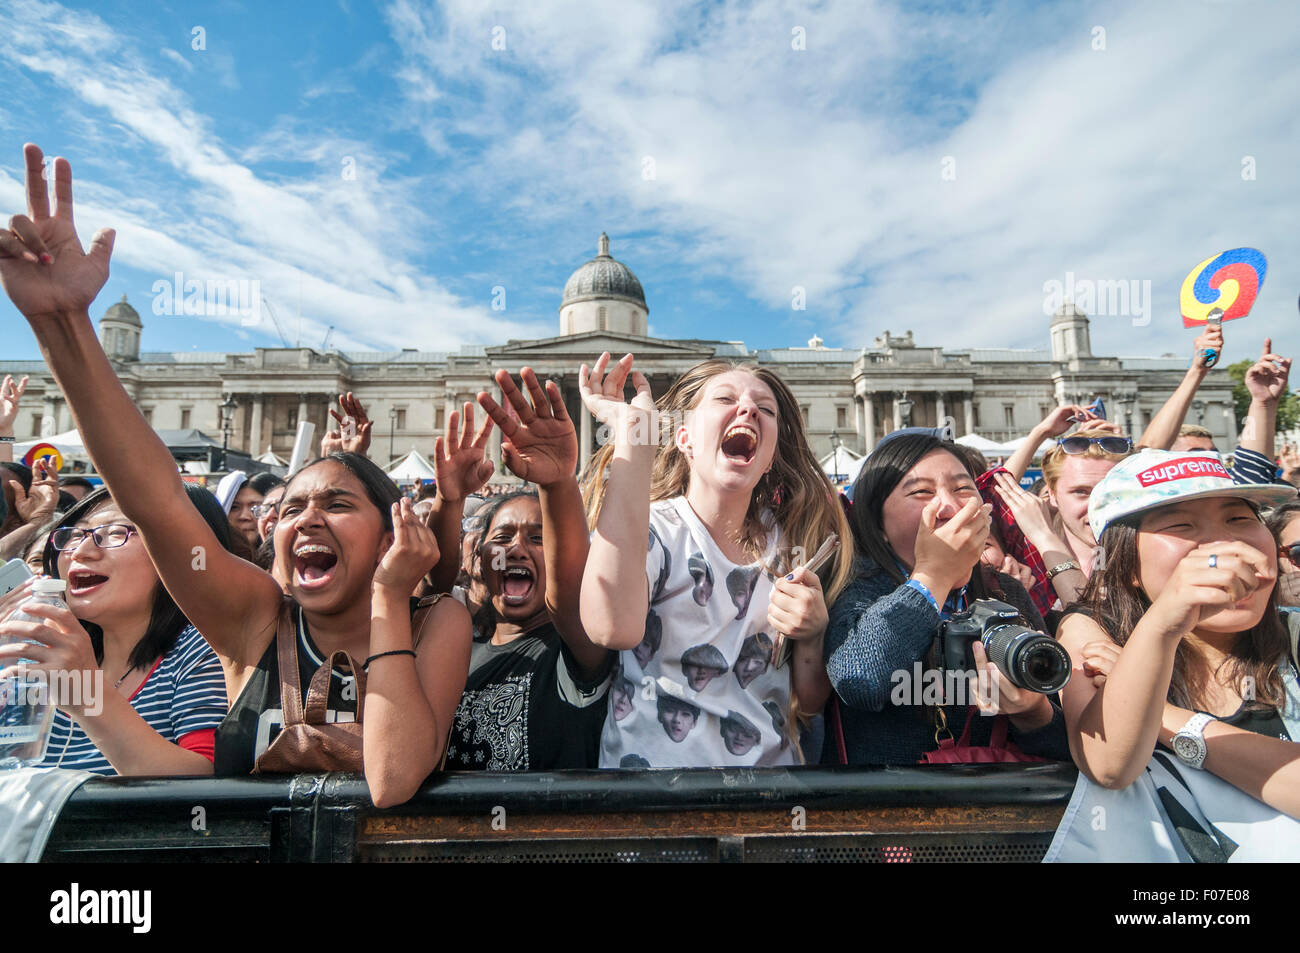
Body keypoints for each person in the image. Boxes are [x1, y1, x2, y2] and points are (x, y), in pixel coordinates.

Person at [0, 143, 469, 807]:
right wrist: (63, 325)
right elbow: (157, 501)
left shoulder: (436, 621)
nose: (305, 516)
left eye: (336, 501)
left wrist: (391, 597)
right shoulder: (255, 617)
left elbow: (391, 778)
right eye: (294, 504)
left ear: (392, 525)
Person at [581, 353, 853, 767]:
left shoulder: (793, 549)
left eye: (765, 409)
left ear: (769, 459)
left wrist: (813, 634)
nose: (747, 409)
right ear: (685, 439)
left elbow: (809, 703)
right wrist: (633, 439)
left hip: (767, 800)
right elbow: (610, 627)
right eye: (725, 399)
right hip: (653, 802)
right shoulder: (653, 529)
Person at [1055, 449, 1300, 829]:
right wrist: (1164, 625)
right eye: (1181, 526)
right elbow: (1108, 764)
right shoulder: (1094, 633)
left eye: (1239, 518)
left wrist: (1166, 716)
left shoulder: (1294, 636)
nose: (1224, 544)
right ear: (1126, 564)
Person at [823, 431, 1069, 765]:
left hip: (1000, 808)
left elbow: (1067, 745)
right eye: (921, 492)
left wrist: (1033, 712)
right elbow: (860, 680)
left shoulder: (1005, 592)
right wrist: (932, 577)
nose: (948, 507)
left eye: (963, 489)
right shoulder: (855, 587)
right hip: (882, 808)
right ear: (877, 521)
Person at [438, 367, 614, 771]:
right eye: (502, 538)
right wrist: (447, 504)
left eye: (538, 539)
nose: (516, 548)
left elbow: (570, 592)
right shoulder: (451, 645)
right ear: (477, 559)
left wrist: (557, 483)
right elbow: (431, 586)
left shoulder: (573, 651)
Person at [0, 485, 230, 775]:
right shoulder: (44, 653)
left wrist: (88, 695)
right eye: (75, 535)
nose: (81, 552)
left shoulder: (203, 649)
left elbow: (203, 787)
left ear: (182, 549)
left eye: (115, 533)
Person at [1139, 329, 1290, 485]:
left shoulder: (1239, 497)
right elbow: (1148, 454)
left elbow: (1253, 466)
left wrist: (1263, 403)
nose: (1210, 459)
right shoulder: (1159, 495)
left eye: (1214, 453)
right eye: (1196, 453)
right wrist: (1197, 371)